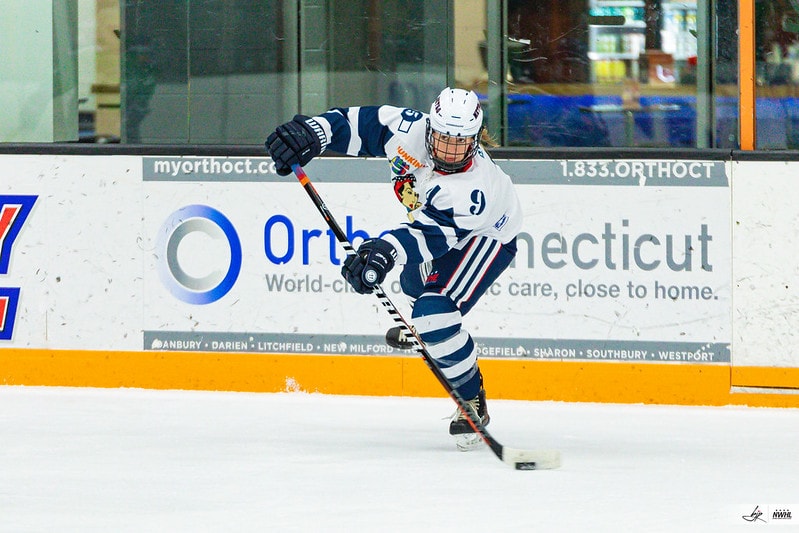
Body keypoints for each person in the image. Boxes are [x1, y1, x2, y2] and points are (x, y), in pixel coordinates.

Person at [265, 88, 522, 450]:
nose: (449, 151)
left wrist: (382, 251)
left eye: (460, 142)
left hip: (487, 235)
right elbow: (358, 125)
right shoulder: (408, 129)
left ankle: (471, 398)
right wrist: (312, 133)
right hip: (438, 227)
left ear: (475, 140)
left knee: (433, 315)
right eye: (443, 139)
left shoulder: (472, 190)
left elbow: (428, 238)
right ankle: (432, 336)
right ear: (430, 128)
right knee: (412, 283)